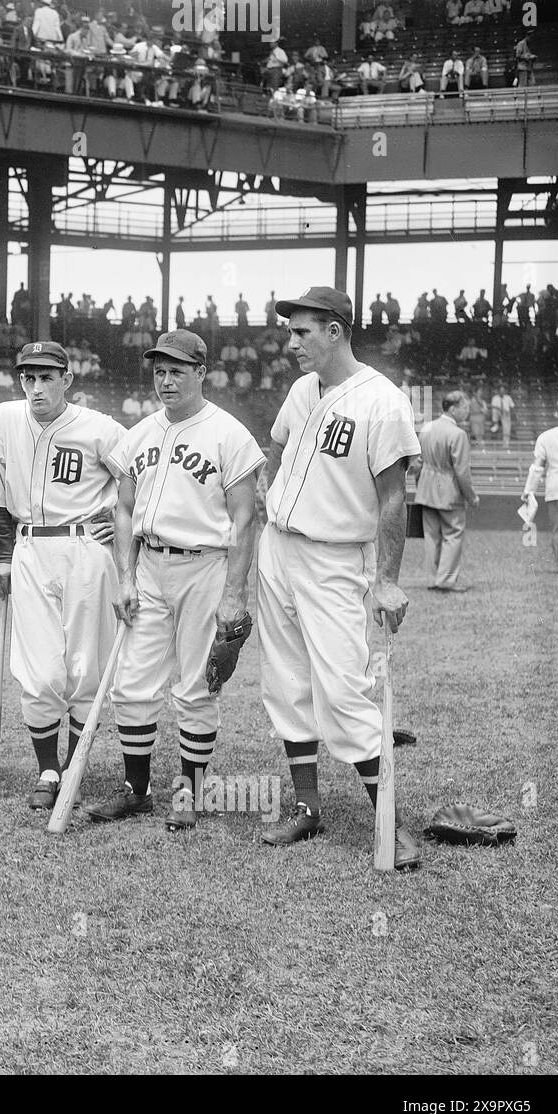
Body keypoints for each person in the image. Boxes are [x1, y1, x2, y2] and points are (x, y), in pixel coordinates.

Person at [257, 288, 422, 869]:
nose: (292, 342)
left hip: (334, 557)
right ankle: (306, 806)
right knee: (285, 680)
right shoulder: (303, 389)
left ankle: (389, 824)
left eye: (302, 332)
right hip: (278, 546)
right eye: (291, 331)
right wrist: (273, 502)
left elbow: (394, 498)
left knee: (344, 689)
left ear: (335, 331)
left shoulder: (383, 401)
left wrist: (389, 580)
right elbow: (278, 450)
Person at [83, 331, 263, 830]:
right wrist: (124, 577)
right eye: (159, 371)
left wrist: (234, 593)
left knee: (195, 687)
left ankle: (192, 793)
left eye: (177, 371)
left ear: (201, 372)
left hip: (205, 566)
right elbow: (122, 509)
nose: (165, 380)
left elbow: (245, 520)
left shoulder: (230, 434)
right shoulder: (138, 434)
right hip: (148, 566)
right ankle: (136, 789)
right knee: (132, 683)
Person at [0, 341, 123, 809]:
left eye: (46, 378)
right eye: (28, 378)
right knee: (38, 672)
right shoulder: (2, 419)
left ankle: (74, 766)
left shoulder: (100, 428)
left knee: (84, 667)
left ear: (67, 380)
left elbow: (140, 479)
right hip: (29, 547)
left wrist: (116, 510)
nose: (36, 388)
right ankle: (48, 770)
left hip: (85, 550)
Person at [415, 391, 478, 592]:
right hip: (449, 492)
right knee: (453, 534)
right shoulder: (458, 434)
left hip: (426, 489)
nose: (467, 412)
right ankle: (446, 581)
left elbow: (417, 464)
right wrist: (471, 496)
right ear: (452, 408)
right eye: (465, 408)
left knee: (431, 536)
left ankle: (433, 578)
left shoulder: (426, 428)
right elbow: (462, 471)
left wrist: (420, 485)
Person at [523, 397, 558, 577]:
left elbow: (538, 466)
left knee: (557, 527)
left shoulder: (545, 437)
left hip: (555, 487)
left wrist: (528, 490)